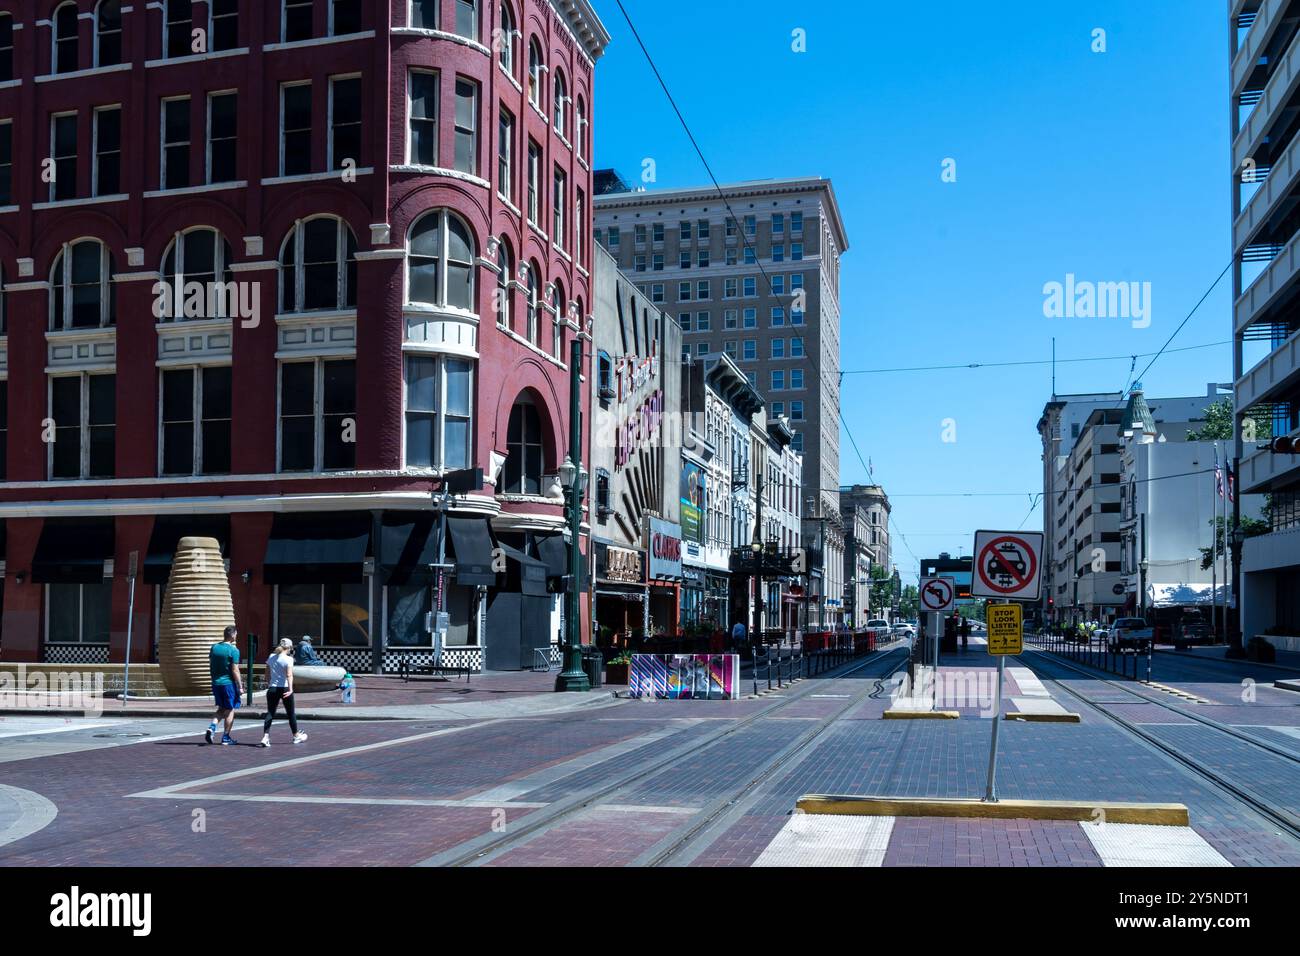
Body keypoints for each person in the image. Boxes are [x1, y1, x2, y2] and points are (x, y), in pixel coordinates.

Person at [260, 638, 308, 747]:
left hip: (272, 688)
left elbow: (266, 673)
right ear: (290, 648)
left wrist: (269, 683)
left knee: (270, 713)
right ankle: (296, 736)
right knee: (290, 713)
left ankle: (265, 736)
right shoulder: (288, 659)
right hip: (285, 688)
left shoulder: (271, 657)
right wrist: (291, 689)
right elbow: (289, 675)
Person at [205, 625, 243, 746]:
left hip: (216, 683)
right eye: (236, 634)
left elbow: (211, 664)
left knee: (221, 708)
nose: (236, 636)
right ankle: (226, 737)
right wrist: (240, 686)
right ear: (232, 635)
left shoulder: (214, 647)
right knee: (230, 709)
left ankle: (212, 727)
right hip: (228, 684)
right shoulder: (234, 650)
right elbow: (235, 670)